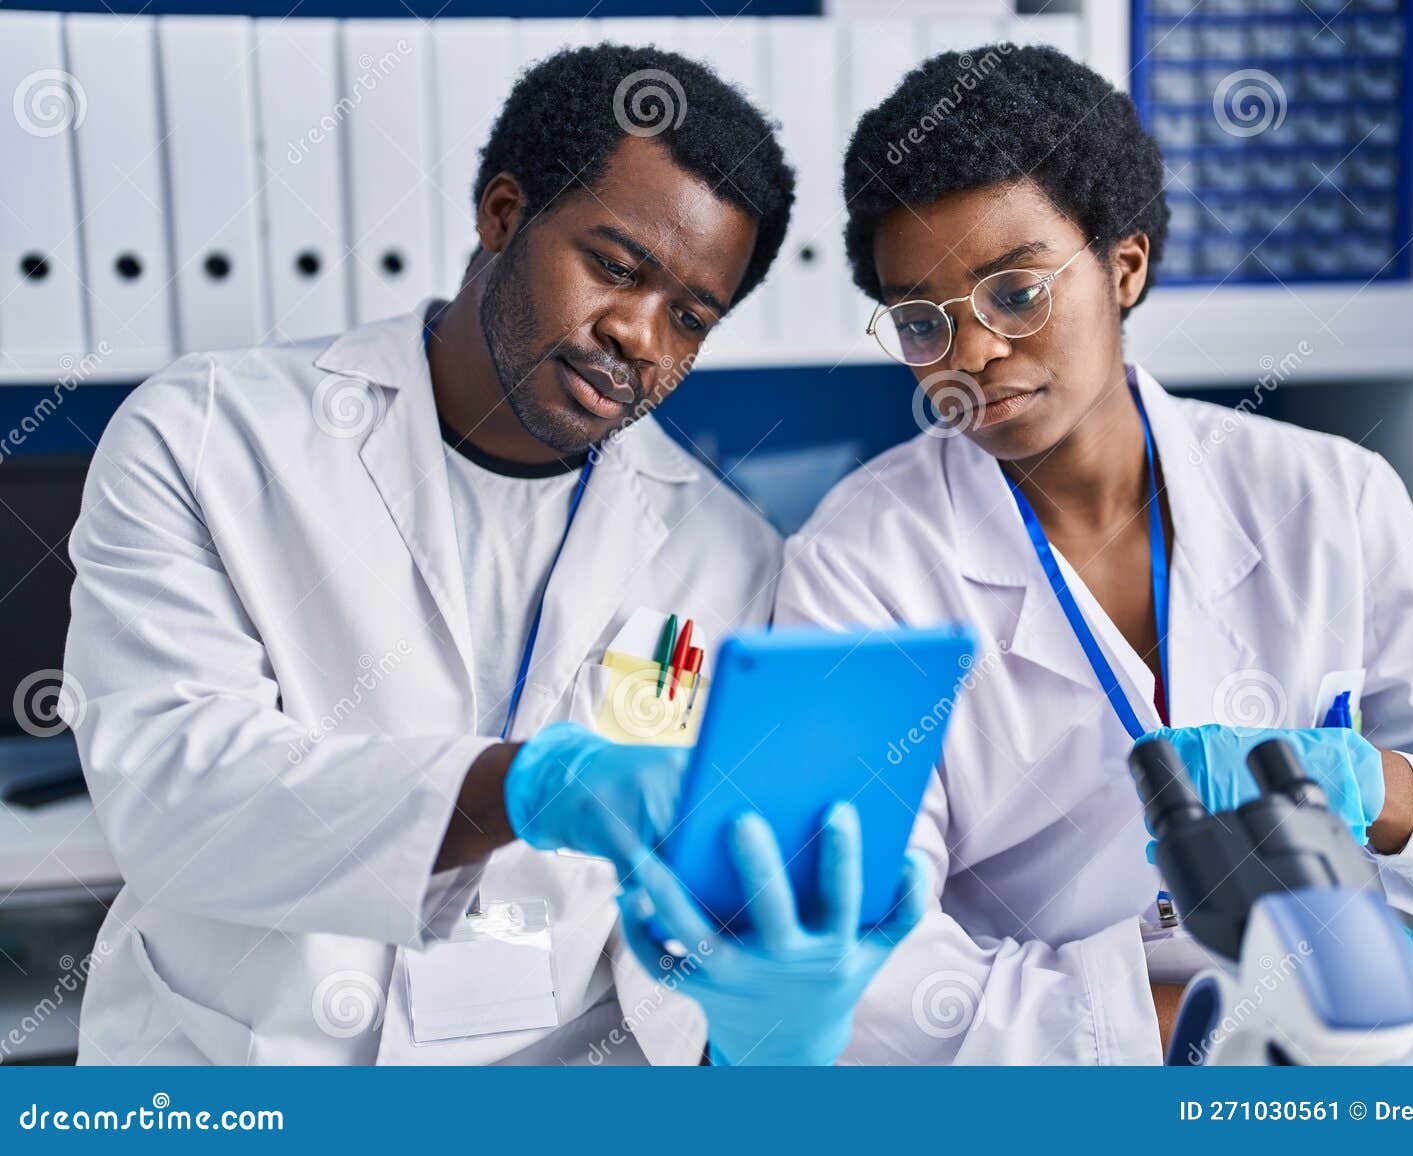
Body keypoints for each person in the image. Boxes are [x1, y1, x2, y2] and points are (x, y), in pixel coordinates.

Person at [65, 44, 913, 1066]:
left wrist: (770, 1003)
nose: (641, 336)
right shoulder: (209, 439)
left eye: (690, 318)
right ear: (502, 213)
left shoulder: (727, 553)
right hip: (241, 1064)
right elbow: (174, 802)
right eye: (614, 267)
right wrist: (518, 787)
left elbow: (695, 921)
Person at [775, 45, 1413, 1063]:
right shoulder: (860, 563)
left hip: (1343, 1051)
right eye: (921, 320)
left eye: (1016, 293)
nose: (973, 351)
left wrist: (1372, 788)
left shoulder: (1322, 495)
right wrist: (1206, 1015)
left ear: (1124, 265)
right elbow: (858, 972)